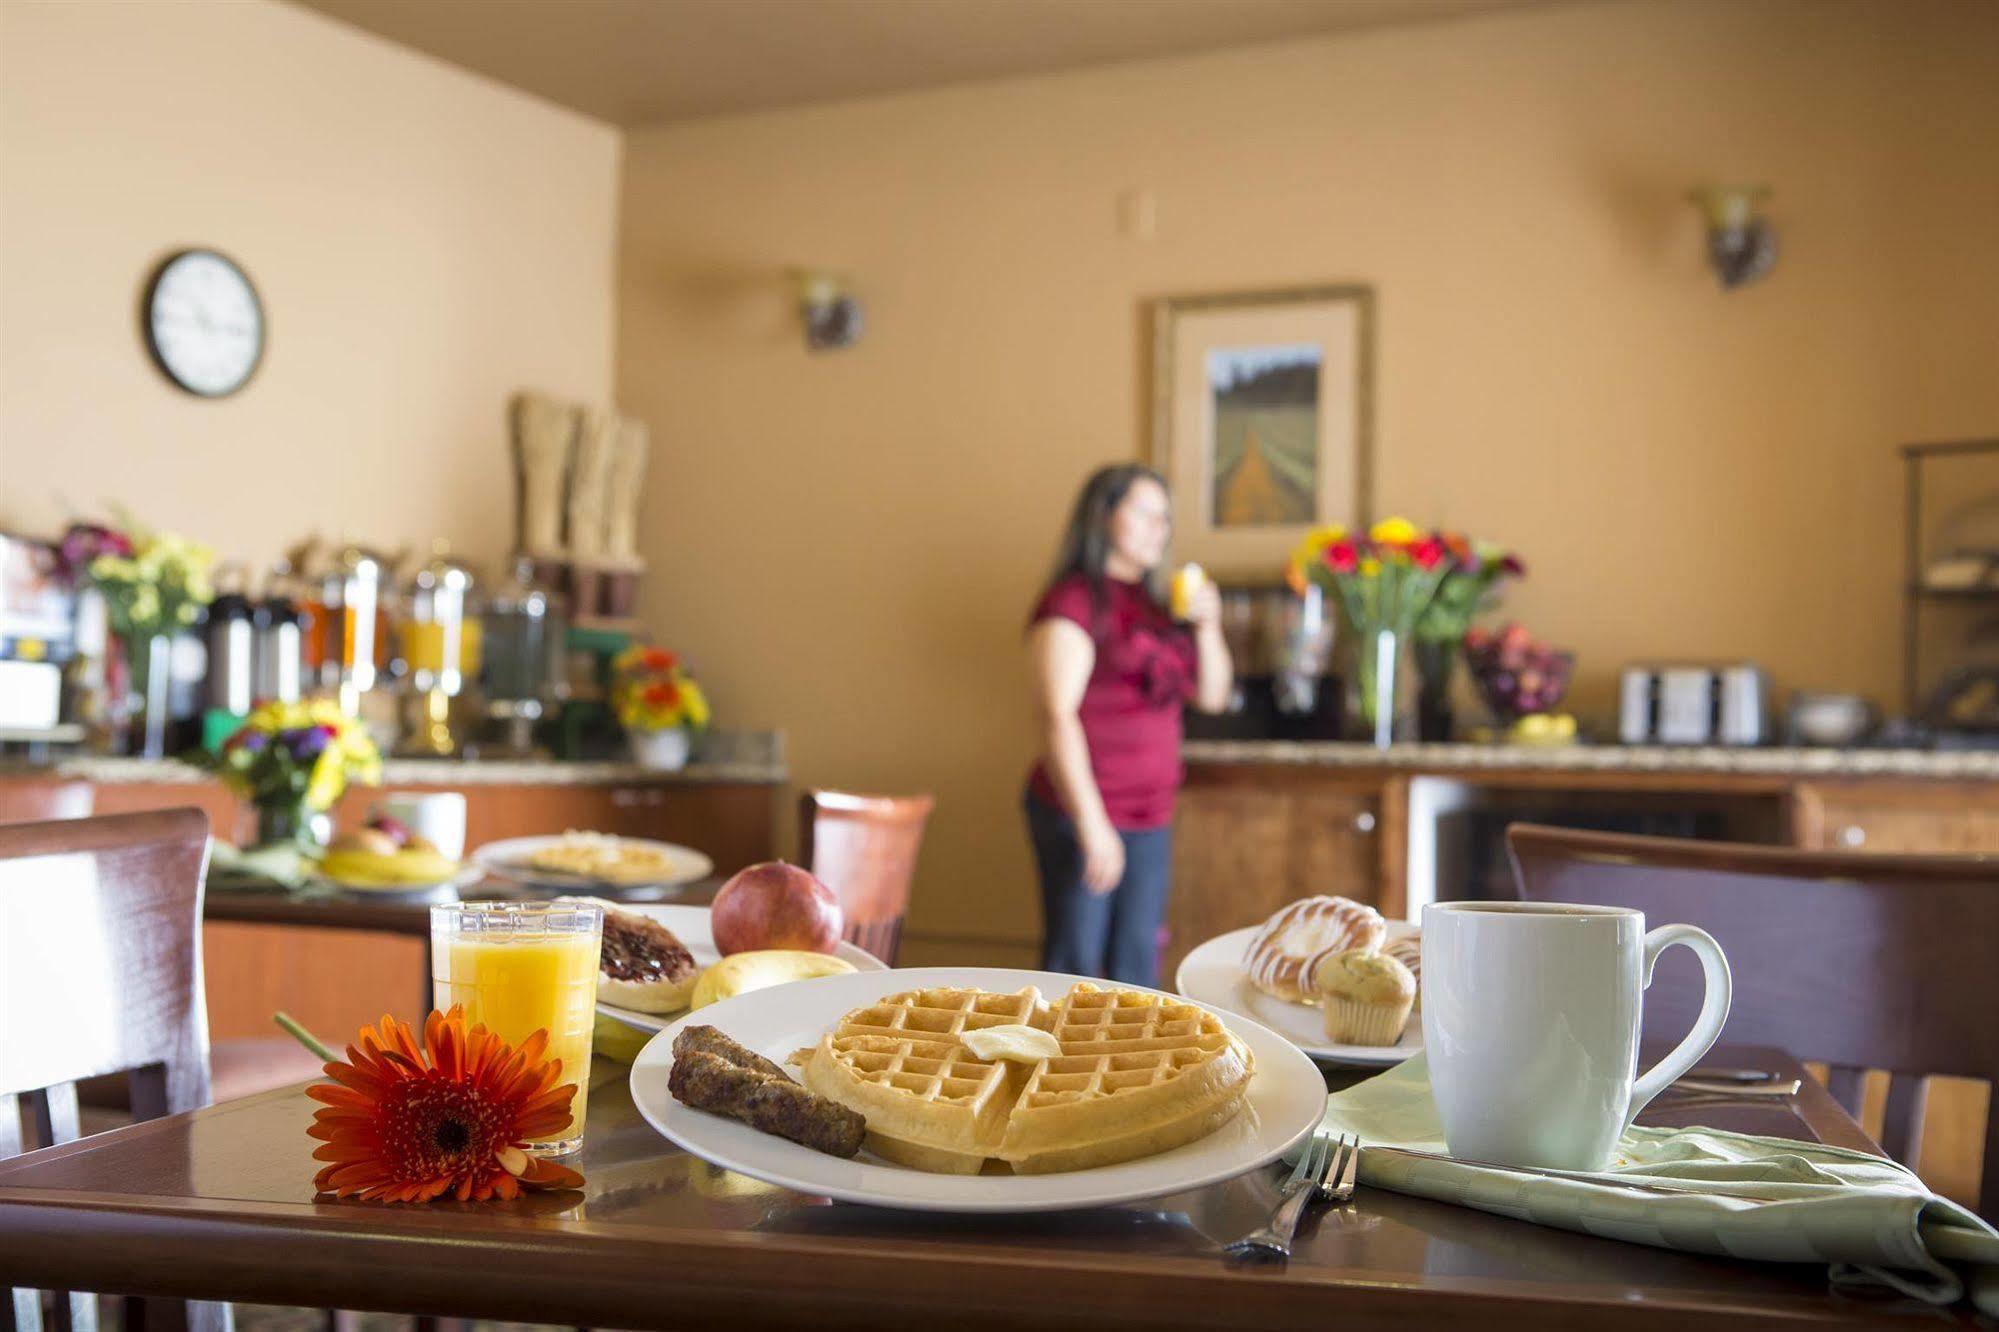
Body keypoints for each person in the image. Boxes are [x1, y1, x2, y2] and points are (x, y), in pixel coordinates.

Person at [1024, 463, 1232, 986]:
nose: (1157, 528)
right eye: (1143, 512)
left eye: (1164, 518)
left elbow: (1212, 694)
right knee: (1076, 970)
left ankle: (1131, 1069)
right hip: (1084, 810)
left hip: (1150, 814)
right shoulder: (1073, 601)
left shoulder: (1161, 604)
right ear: (1103, 514)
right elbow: (1056, 714)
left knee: (1138, 967)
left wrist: (1208, 626)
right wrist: (1092, 824)